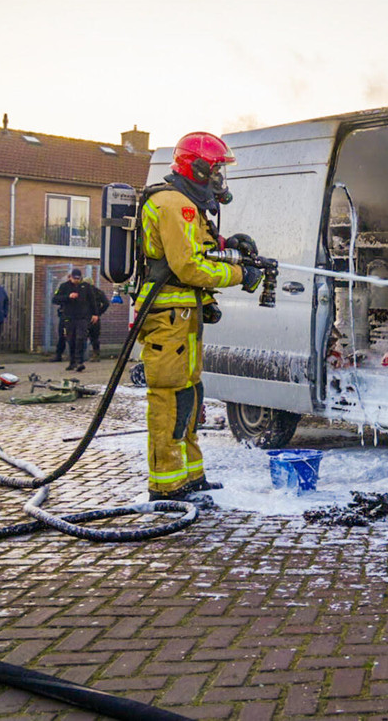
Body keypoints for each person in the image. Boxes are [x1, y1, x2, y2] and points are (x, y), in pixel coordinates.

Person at [136, 131, 263, 502]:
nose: (221, 179)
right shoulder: (176, 205)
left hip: (184, 316)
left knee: (190, 395)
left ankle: (190, 477)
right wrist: (241, 275)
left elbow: (200, 248)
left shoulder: (186, 204)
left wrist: (229, 245)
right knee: (169, 399)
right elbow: (189, 265)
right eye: (217, 170)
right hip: (168, 316)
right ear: (199, 167)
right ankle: (167, 486)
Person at [52, 268, 96, 372]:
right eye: (74, 278)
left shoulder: (86, 287)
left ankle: (79, 362)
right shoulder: (64, 286)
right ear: (70, 277)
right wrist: (68, 297)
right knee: (71, 339)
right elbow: (55, 299)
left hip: (82, 317)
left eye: (78, 278)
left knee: (81, 338)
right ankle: (72, 362)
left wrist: (95, 314)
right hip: (69, 317)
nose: (76, 280)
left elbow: (92, 300)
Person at [87, 280, 110, 361]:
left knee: (81, 337)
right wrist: (98, 313)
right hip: (95, 317)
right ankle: (95, 354)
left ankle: (80, 356)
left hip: (84, 317)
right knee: (94, 337)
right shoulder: (98, 292)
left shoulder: (82, 292)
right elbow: (106, 303)